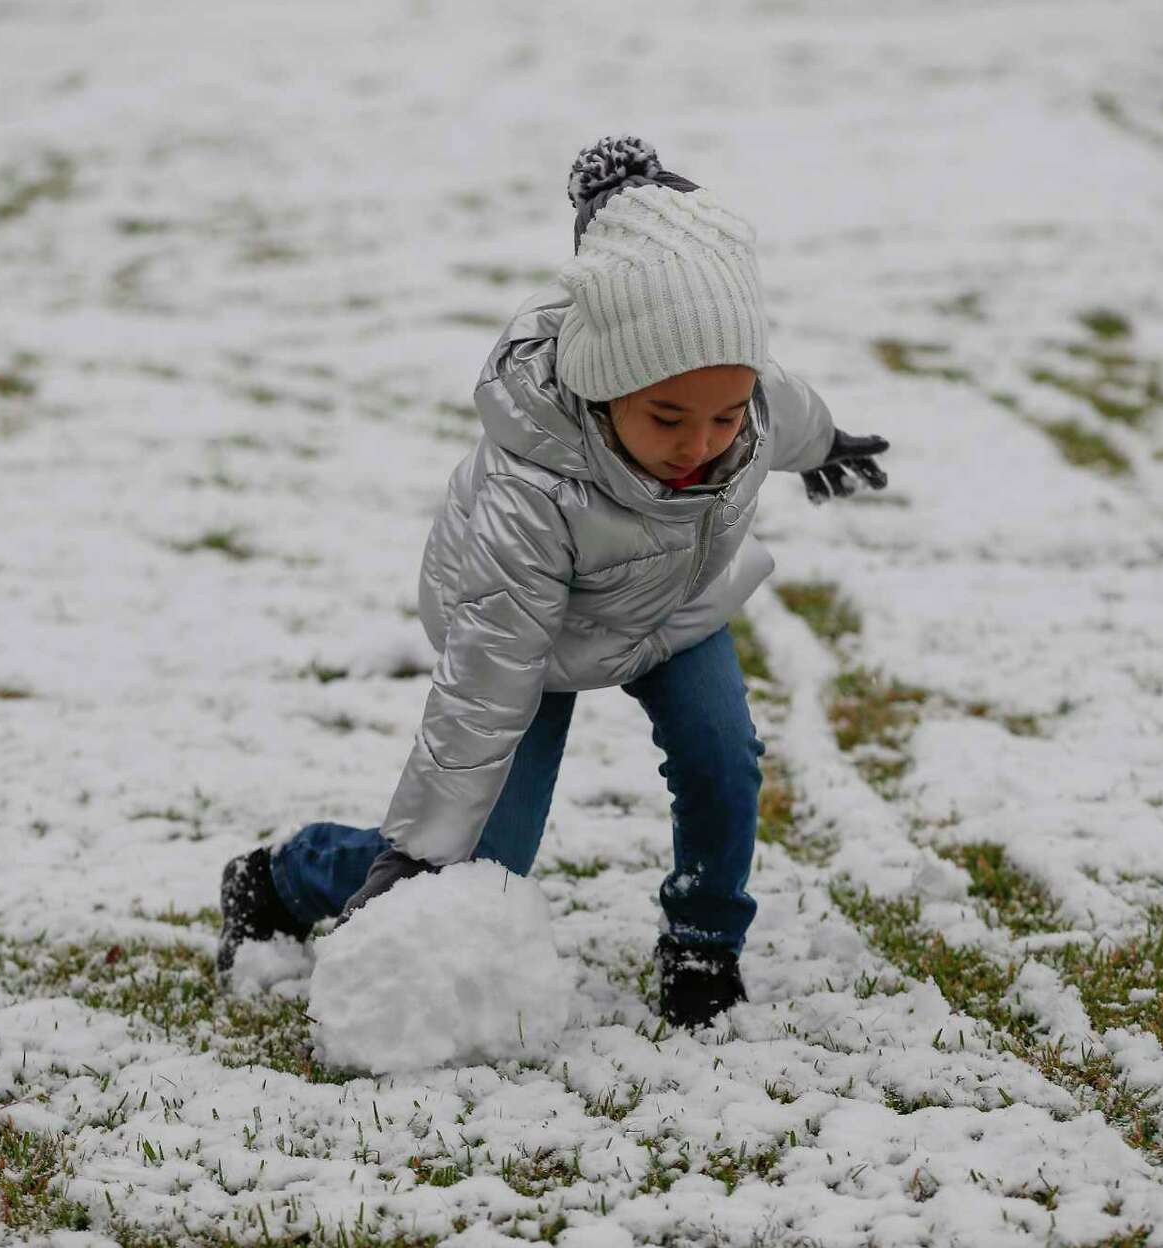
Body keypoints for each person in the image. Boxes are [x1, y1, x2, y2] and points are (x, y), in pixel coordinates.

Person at [217, 134, 888, 1030]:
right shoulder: (532, 493)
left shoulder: (745, 410)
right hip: (528, 642)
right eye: (668, 419)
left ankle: (703, 941)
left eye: (725, 416)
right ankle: (285, 878)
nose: (702, 446)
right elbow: (484, 693)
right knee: (478, 864)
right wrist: (423, 848)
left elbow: (785, 411)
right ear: (604, 386)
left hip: (667, 611)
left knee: (723, 760)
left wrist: (827, 445)